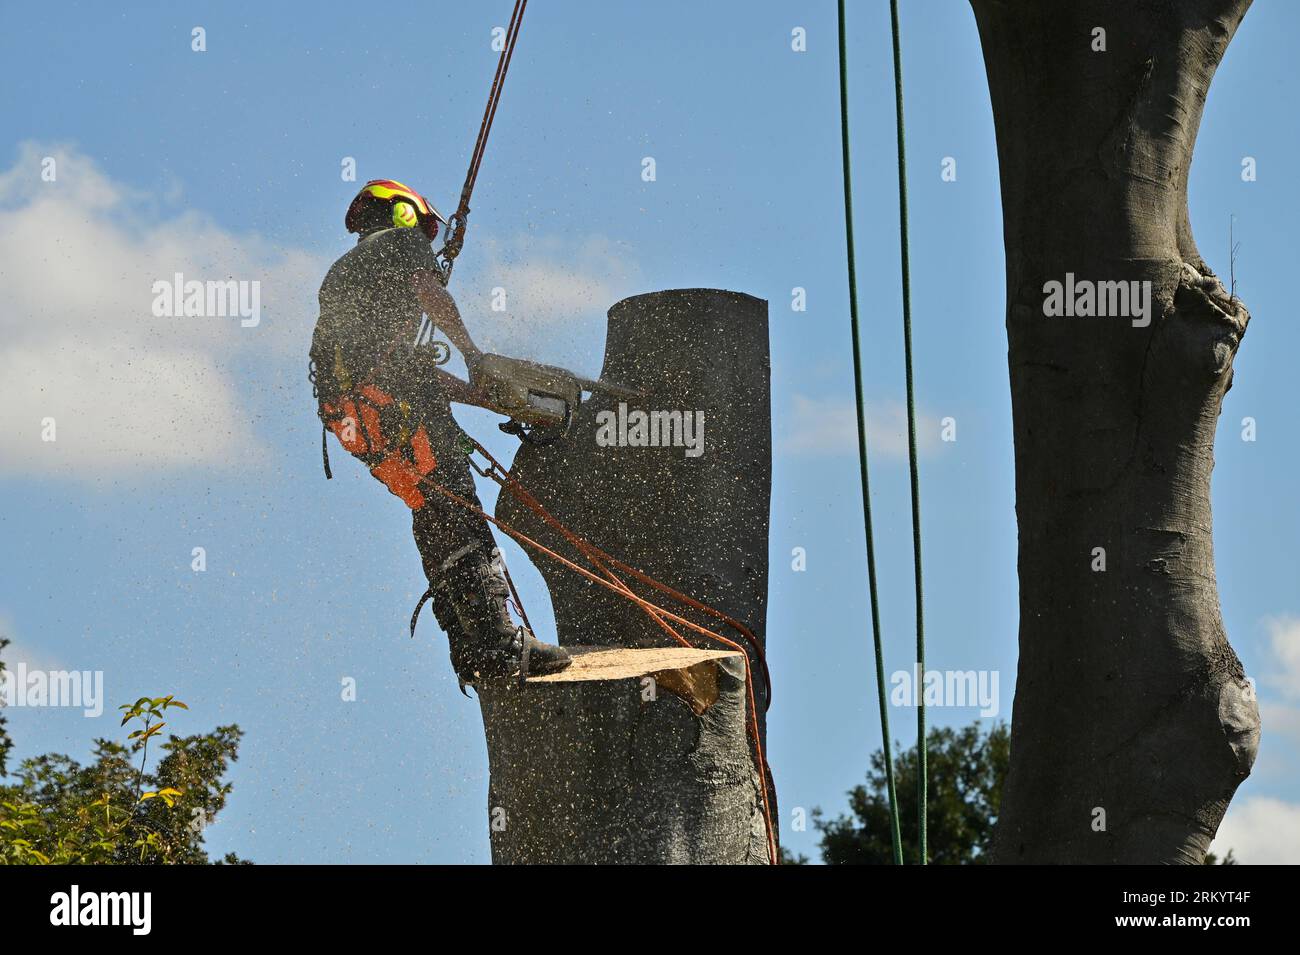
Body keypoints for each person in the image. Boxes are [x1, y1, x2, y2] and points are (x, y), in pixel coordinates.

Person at [309, 179, 572, 686]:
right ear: (405, 215)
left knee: (431, 509)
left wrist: (483, 396)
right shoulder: (400, 245)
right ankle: (499, 643)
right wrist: (474, 357)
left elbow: (404, 367)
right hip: (390, 409)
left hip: (354, 422)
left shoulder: (343, 274)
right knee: (455, 504)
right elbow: (429, 292)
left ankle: (468, 647)